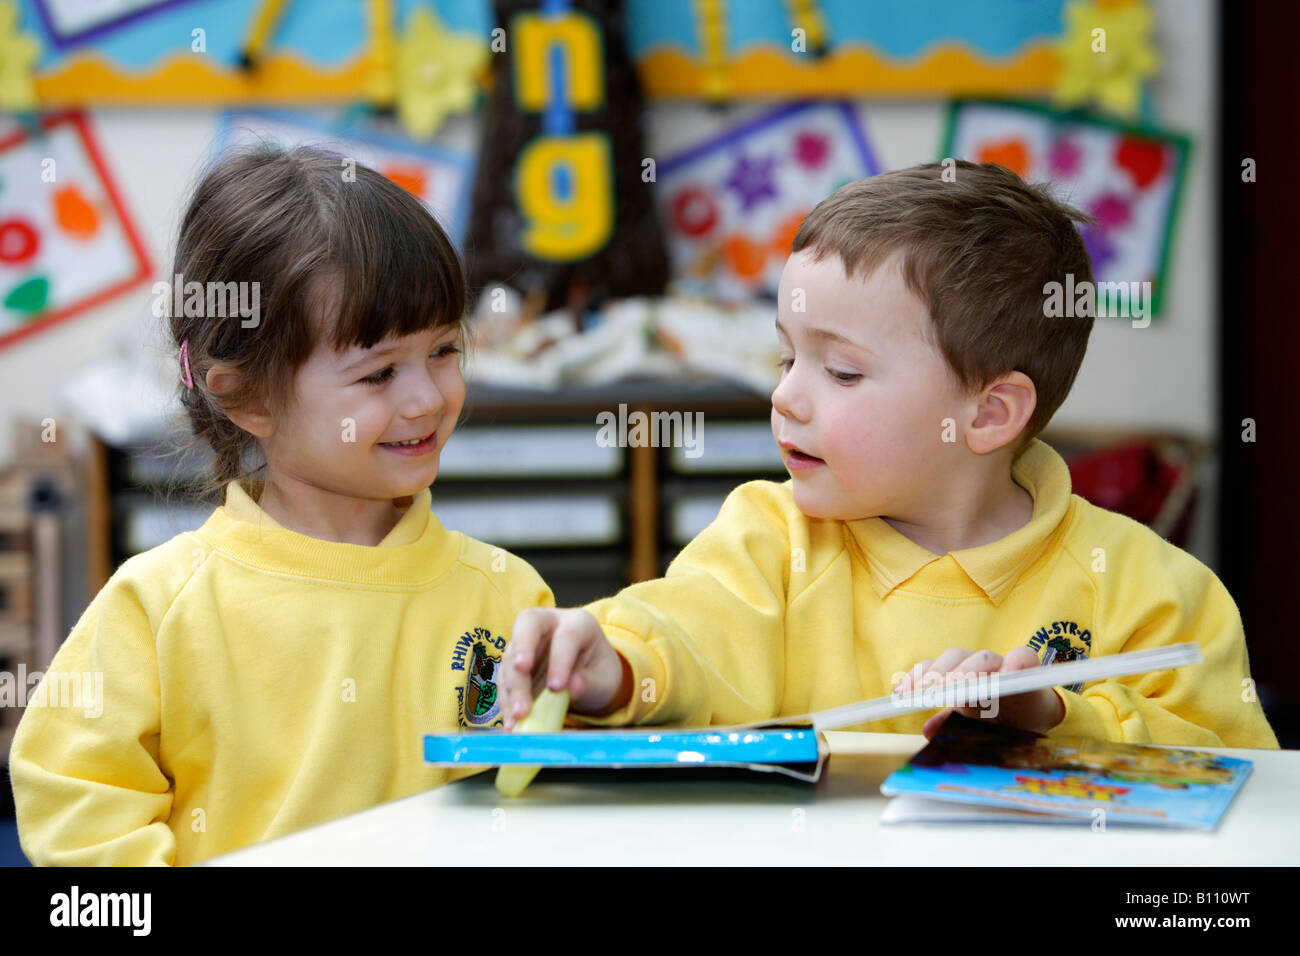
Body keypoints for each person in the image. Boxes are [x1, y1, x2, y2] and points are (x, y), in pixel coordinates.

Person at [501, 161, 1279, 750]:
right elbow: (685, 631)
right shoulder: (769, 540)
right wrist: (616, 668)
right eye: (785, 361)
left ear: (989, 412)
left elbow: (1235, 777)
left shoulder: (1155, 591)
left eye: (840, 372)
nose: (787, 400)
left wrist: (1052, 714)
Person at [10, 144, 559, 865]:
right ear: (248, 396)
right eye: (379, 372)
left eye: (445, 351)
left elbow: (540, 811)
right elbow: (75, 808)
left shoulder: (508, 596)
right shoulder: (159, 607)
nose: (427, 397)